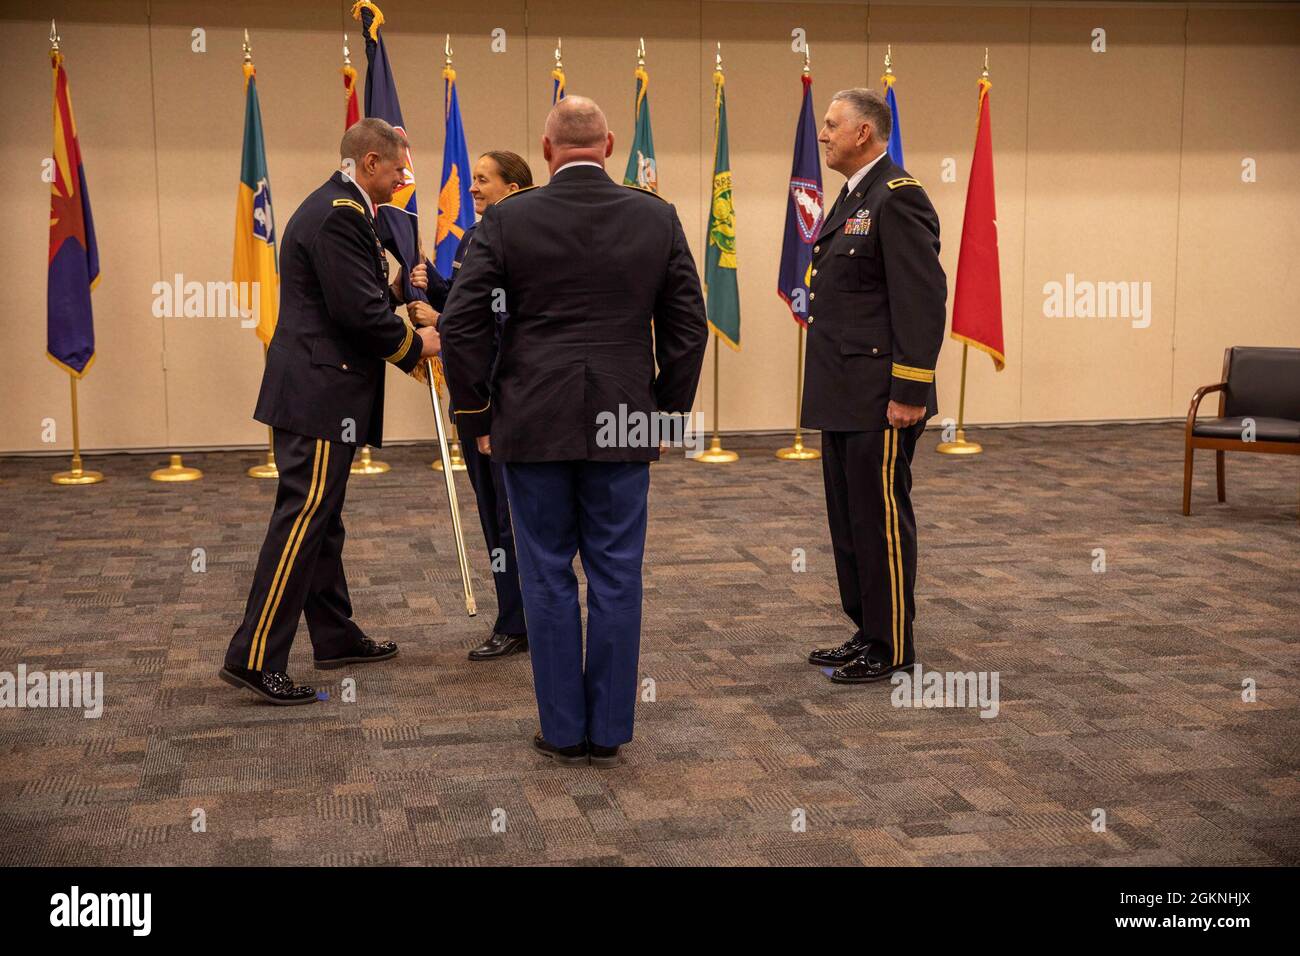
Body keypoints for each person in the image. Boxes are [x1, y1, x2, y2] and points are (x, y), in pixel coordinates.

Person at [439, 96, 707, 766]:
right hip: (623, 417)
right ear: (610, 144)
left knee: (547, 574)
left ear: (547, 146)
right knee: (617, 575)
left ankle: (562, 729)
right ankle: (609, 729)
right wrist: (666, 411)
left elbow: (460, 325)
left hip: (531, 421)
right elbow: (687, 327)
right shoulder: (657, 216)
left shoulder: (506, 219)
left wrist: (477, 415)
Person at [220, 117, 440, 704]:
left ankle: (335, 636)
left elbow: (348, 295)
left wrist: (393, 291)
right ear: (370, 162)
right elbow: (355, 317)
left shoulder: (342, 207)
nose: (403, 179)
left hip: (323, 392)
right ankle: (255, 655)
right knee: (301, 522)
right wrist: (420, 346)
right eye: (397, 169)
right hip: (319, 394)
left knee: (323, 522)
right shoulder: (341, 212)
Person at [801, 89, 947, 684]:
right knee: (850, 517)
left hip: (882, 397)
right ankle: (866, 629)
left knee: (881, 517)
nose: (823, 134)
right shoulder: (853, 197)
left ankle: (892, 647)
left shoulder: (897, 197)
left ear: (864, 132)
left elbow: (922, 298)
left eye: (832, 125)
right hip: (843, 391)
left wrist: (911, 388)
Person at [453, 151, 534, 662]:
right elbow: (468, 304)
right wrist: (429, 289)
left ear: (513, 187)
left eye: (483, 180)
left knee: (509, 518)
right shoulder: (472, 237)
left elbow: (502, 323)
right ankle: (514, 614)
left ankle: (517, 622)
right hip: (474, 399)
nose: (473, 188)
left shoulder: (521, 240)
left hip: (502, 402)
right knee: (491, 513)